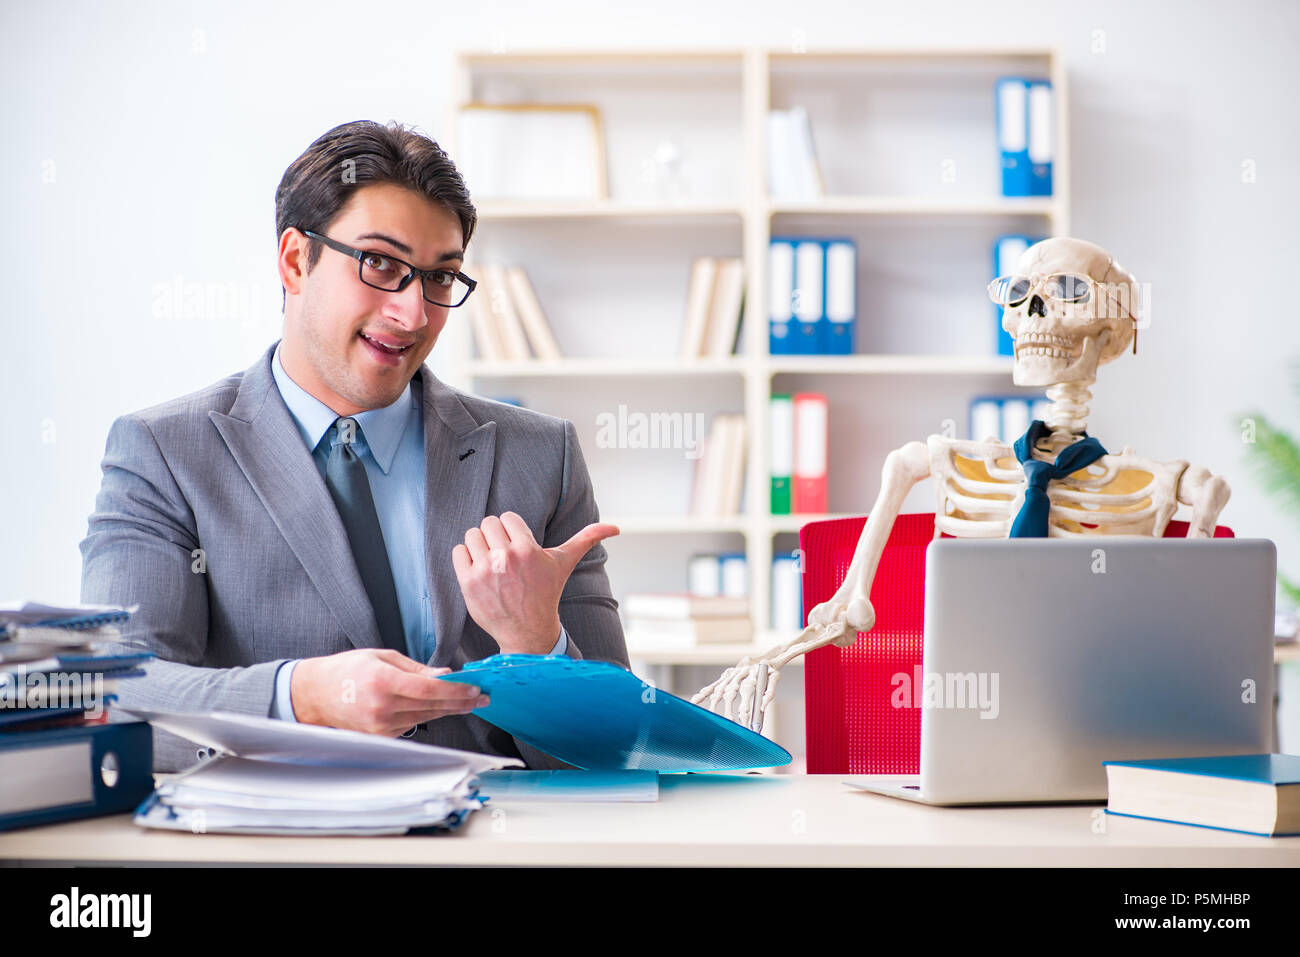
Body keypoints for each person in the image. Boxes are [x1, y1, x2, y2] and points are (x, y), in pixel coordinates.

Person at [80, 120, 629, 772]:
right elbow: (115, 694)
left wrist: (538, 643)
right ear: (295, 260)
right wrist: (301, 696)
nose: (413, 314)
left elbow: (615, 747)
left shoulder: (540, 454)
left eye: (440, 277)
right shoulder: (164, 453)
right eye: (381, 264)